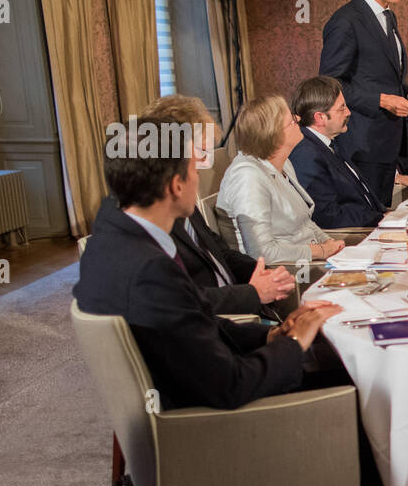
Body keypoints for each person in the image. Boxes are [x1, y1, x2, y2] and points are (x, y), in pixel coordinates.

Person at [74, 105, 342, 412]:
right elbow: (231, 385)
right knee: (354, 374)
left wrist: (271, 334)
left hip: (205, 383)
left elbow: (197, 321)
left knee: (330, 352)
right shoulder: (150, 271)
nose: (199, 177)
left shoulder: (115, 235)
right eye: (192, 168)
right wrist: (293, 343)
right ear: (176, 185)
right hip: (215, 422)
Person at [130, 95, 297, 319]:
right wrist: (252, 294)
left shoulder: (179, 198)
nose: (205, 163)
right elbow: (182, 299)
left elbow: (219, 253)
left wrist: (265, 273)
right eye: (201, 151)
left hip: (241, 304)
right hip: (220, 323)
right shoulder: (151, 216)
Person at [319, 0, 408, 203]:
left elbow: (386, 77)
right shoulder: (346, 21)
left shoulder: (389, 16)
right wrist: (381, 100)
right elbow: (330, 83)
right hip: (361, 145)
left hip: (387, 144)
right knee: (370, 223)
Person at [216, 95, 347, 264]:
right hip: (285, 273)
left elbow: (304, 223)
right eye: (292, 120)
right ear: (275, 135)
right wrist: (320, 251)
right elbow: (261, 253)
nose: (298, 119)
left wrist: (329, 243)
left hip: (309, 263)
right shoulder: (247, 177)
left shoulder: (284, 164)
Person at [288, 76, 386, 229]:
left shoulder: (328, 142)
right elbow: (327, 215)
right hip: (352, 236)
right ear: (320, 117)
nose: (348, 112)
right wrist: (380, 219)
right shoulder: (306, 153)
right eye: (342, 107)